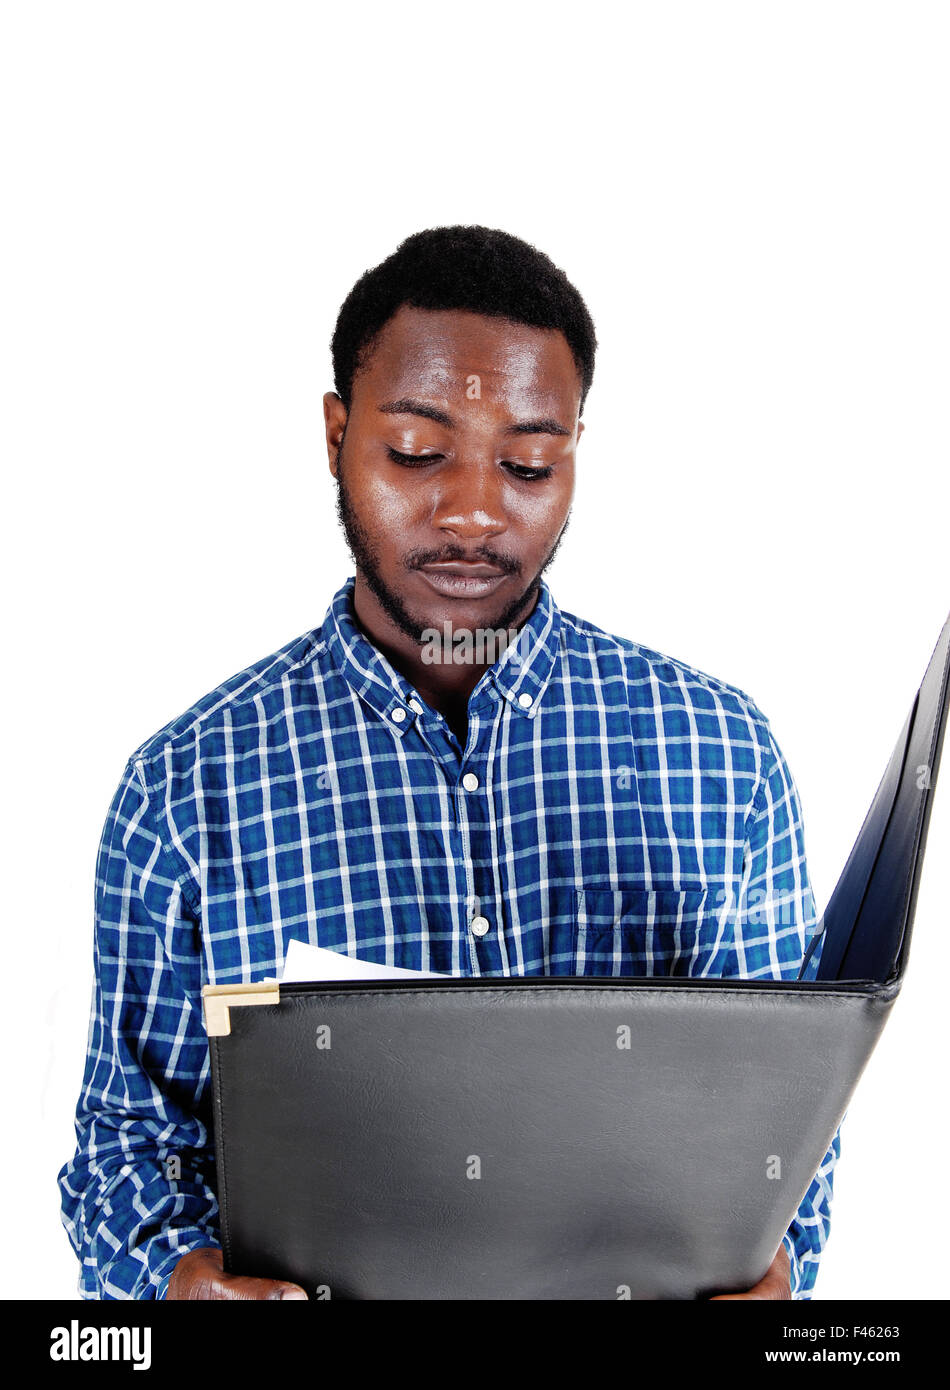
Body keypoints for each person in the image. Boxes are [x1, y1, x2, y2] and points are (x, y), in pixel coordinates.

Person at [58, 225, 837, 1301]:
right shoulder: (188, 789)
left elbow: (791, 1122)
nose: (473, 509)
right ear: (335, 436)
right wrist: (179, 1279)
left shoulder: (722, 753)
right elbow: (125, 1143)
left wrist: (779, 1263)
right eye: (418, 450)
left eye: (526, 462)